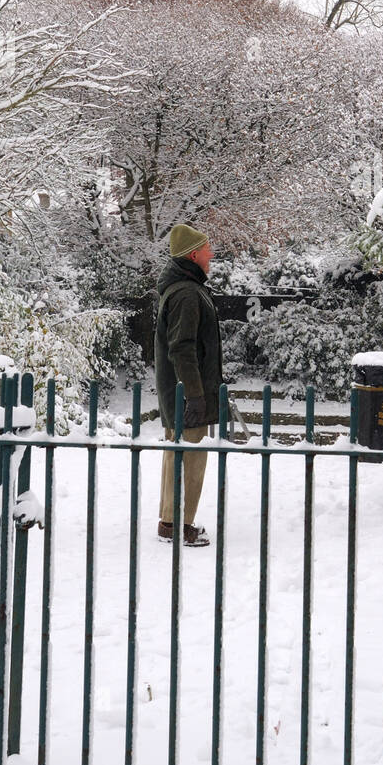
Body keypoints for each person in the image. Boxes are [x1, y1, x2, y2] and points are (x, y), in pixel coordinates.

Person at [154, 223, 223, 547]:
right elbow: (182, 347)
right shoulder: (186, 293)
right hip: (187, 393)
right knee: (190, 456)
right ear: (193, 255)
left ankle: (170, 521)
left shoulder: (184, 289)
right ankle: (179, 524)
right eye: (207, 249)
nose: (211, 255)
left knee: (176, 452)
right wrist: (195, 396)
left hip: (179, 390)